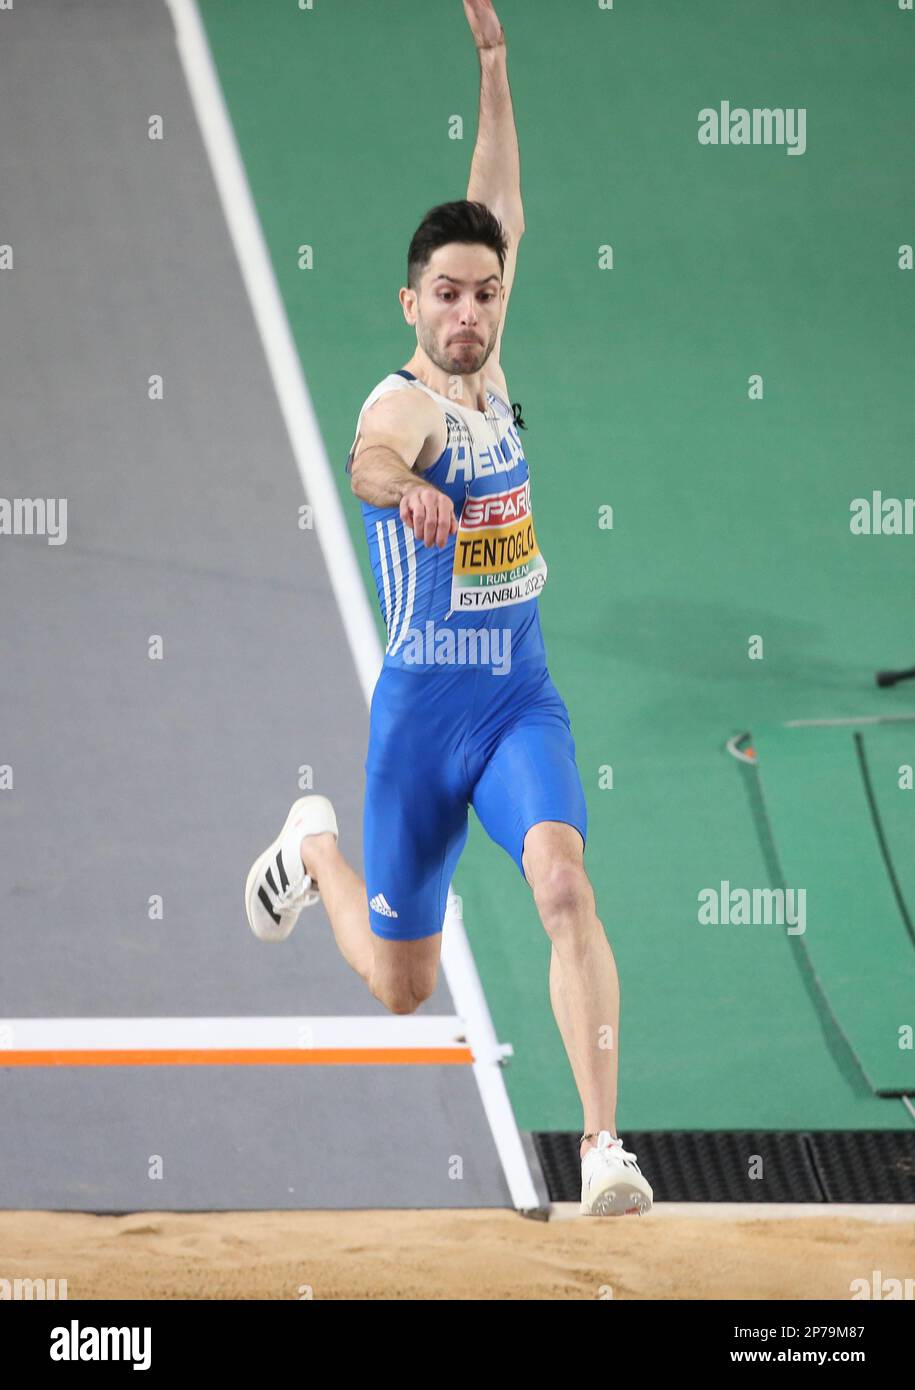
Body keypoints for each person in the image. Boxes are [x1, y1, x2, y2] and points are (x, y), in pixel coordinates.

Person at [244, 0, 652, 1218]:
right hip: (422, 722)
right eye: (448, 297)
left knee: (564, 885)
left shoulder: (492, 366)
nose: (471, 311)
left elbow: (500, 206)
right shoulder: (409, 404)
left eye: (485, 292)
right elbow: (367, 459)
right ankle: (317, 844)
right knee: (401, 988)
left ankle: (602, 1149)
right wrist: (407, 490)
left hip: (518, 697)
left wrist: (494, 66)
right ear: (410, 306)